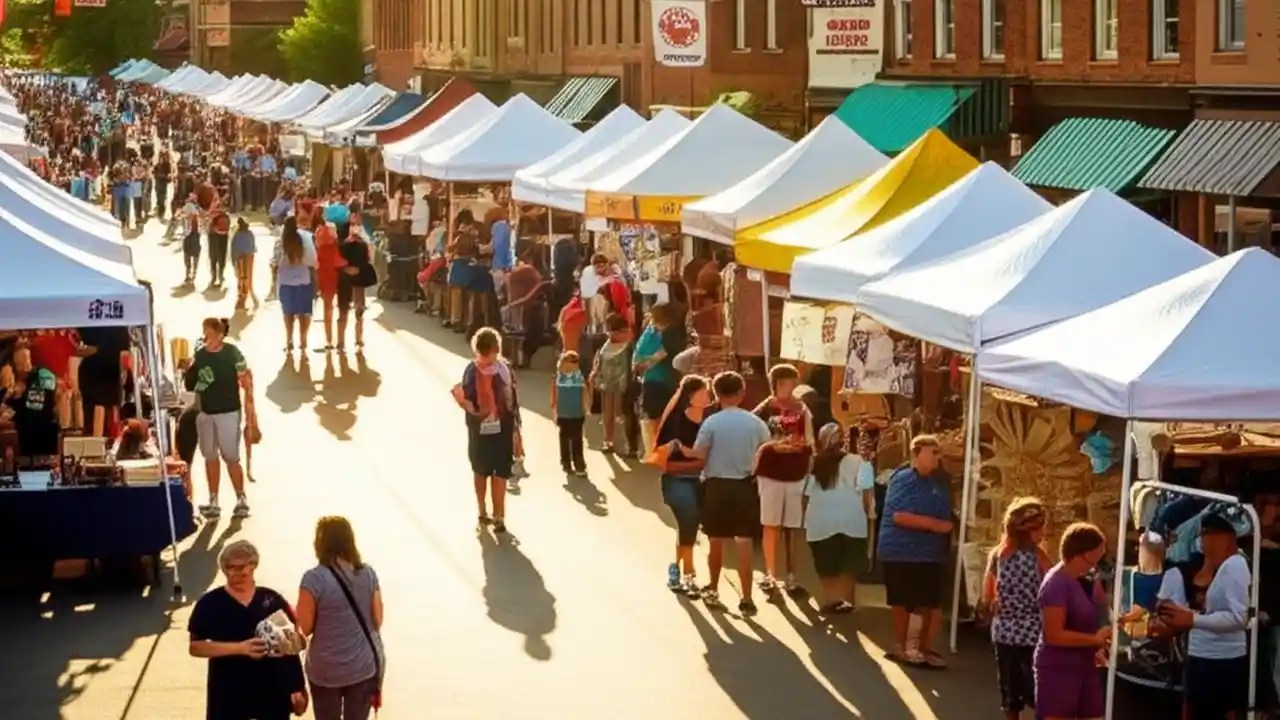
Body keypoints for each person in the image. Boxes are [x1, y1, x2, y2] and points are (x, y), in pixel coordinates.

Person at [670, 371, 770, 615]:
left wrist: (680, 449)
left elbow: (700, 455)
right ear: (741, 393)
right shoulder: (755, 423)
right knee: (744, 543)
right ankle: (746, 597)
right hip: (745, 486)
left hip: (716, 487)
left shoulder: (711, 422)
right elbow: (765, 451)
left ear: (716, 394)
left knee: (716, 542)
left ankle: (713, 588)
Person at [189, 540, 308, 720]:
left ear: (253, 566)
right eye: (231, 567)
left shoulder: (271, 599)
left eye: (242, 566)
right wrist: (240, 648)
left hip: (272, 691)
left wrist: (298, 687)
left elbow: (290, 646)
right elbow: (196, 647)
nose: (237, 572)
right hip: (229, 693)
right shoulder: (210, 603)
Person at [1155, 512, 1251, 720]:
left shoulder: (1235, 565)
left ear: (1224, 538)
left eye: (1207, 534)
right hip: (1203, 655)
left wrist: (1193, 619)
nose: (1201, 540)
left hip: (1221, 660)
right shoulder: (1220, 567)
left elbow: (1238, 617)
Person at [877, 434, 954, 667]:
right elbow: (900, 516)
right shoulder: (902, 479)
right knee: (902, 601)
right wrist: (934, 525)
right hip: (901, 551)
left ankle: (922, 647)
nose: (936, 457)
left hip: (929, 553)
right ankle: (901, 647)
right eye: (932, 452)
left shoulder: (939, 483)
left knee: (928, 602)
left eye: (937, 452)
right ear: (916, 454)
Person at [296, 517, 383, 720]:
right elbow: (377, 621)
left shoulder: (314, 578)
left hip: (325, 668)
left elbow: (305, 627)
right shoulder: (368, 574)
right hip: (361, 666)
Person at [981, 498, 1051, 720]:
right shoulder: (1039, 558)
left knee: (1010, 691)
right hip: (1034, 634)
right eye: (1042, 527)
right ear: (1032, 531)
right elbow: (1052, 590)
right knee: (1040, 689)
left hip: (1004, 633)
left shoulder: (998, 555)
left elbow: (986, 596)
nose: (1045, 532)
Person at [1035, 522, 1111, 720]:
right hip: (1058, 670)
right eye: (1092, 558)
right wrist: (1094, 640)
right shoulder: (1056, 584)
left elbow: (1100, 609)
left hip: (1085, 666)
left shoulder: (1085, 577)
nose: (1094, 564)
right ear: (1077, 555)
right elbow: (1053, 635)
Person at [183, 318, 256, 519]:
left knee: (230, 456)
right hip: (206, 412)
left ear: (219, 334)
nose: (206, 336)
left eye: (209, 332)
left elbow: (245, 380)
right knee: (210, 456)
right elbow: (191, 384)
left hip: (228, 411)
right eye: (204, 331)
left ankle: (241, 498)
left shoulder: (232, 353)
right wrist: (194, 375)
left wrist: (251, 412)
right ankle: (213, 500)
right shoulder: (200, 355)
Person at [452, 327, 520, 534]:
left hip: (479, 428)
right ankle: (499, 515)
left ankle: (483, 510)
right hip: (502, 427)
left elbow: (465, 397)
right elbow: (512, 402)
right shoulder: (504, 369)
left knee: (481, 470)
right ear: (497, 347)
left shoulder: (471, 370)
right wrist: (516, 429)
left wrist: (473, 409)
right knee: (500, 473)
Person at [803, 422, 875, 614]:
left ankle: (831, 599)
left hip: (820, 520)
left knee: (826, 564)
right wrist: (869, 512)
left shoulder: (814, 462)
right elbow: (866, 486)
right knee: (849, 564)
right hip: (851, 519)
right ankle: (848, 600)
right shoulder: (857, 461)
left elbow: (807, 492)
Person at [654, 374, 710, 594]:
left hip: (703, 479)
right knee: (688, 519)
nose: (707, 396)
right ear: (690, 396)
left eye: (708, 392)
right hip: (677, 480)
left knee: (690, 527)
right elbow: (666, 456)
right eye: (702, 392)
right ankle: (689, 573)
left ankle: (675, 567)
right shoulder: (676, 420)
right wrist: (697, 459)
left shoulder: (711, 418)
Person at [633, 303, 683, 452]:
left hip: (661, 378)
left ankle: (659, 448)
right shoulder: (652, 328)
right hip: (650, 378)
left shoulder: (669, 332)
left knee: (659, 415)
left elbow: (662, 353)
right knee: (652, 414)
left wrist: (643, 365)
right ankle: (656, 448)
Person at [5, 347, 61, 460]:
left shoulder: (41, 375)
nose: (20, 367)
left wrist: (17, 398)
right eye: (18, 364)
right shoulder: (18, 386)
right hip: (29, 438)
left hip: (42, 434)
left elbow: (36, 408)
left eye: (23, 362)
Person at [590, 313, 634, 456]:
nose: (628, 333)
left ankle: (624, 442)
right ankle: (608, 441)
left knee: (620, 412)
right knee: (608, 412)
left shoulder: (629, 346)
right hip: (608, 384)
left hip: (624, 385)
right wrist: (595, 374)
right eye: (625, 331)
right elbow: (599, 362)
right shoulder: (606, 347)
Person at [274, 217, 317, 353]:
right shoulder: (304, 239)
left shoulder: (280, 243)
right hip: (303, 281)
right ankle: (303, 339)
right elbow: (312, 261)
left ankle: (289, 339)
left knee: (288, 314)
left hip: (286, 282)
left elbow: (275, 262)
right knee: (304, 313)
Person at [336, 224, 375, 352]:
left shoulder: (342, 245)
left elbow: (338, 262)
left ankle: (340, 342)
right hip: (359, 278)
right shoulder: (362, 245)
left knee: (343, 311)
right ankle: (358, 340)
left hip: (345, 279)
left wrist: (345, 269)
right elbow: (367, 260)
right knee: (359, 310)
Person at [551, 351, 588, 477]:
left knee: (577, 438)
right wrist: (554, 410)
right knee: (564, 437)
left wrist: (585, 407)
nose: (574, 364)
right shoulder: (558, 376)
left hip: (577, 413)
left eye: (576, 362)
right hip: (563, 413)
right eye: (571, 361)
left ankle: (579, 463)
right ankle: (565, 461)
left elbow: (583, 392)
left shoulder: (578, 376)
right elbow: (554, 393)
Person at [313, 216, 342, 353]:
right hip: (336, 279)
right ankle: (337, 339)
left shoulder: (318, 251)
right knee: (338, 310)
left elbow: (315, 266)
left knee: (327, 310)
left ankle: (329, 339)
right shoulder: (337, 249)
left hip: (323, 280)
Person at [231, 217, 258, 311]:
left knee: (241, 279)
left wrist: (233, 261)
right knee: (247, 278)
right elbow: (253, 247)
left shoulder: (237, 235)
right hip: (249, 258)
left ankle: (241, 299)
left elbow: (233, 248)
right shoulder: (250, 234)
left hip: (239, 258)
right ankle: (244, 299)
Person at [208, 200, 231, 289]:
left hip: (215, 237)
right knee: (219, 257)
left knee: (215, 257)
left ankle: (216, 276)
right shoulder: (225, 216)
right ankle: (218, 275)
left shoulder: (215, 215)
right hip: (220, 238)